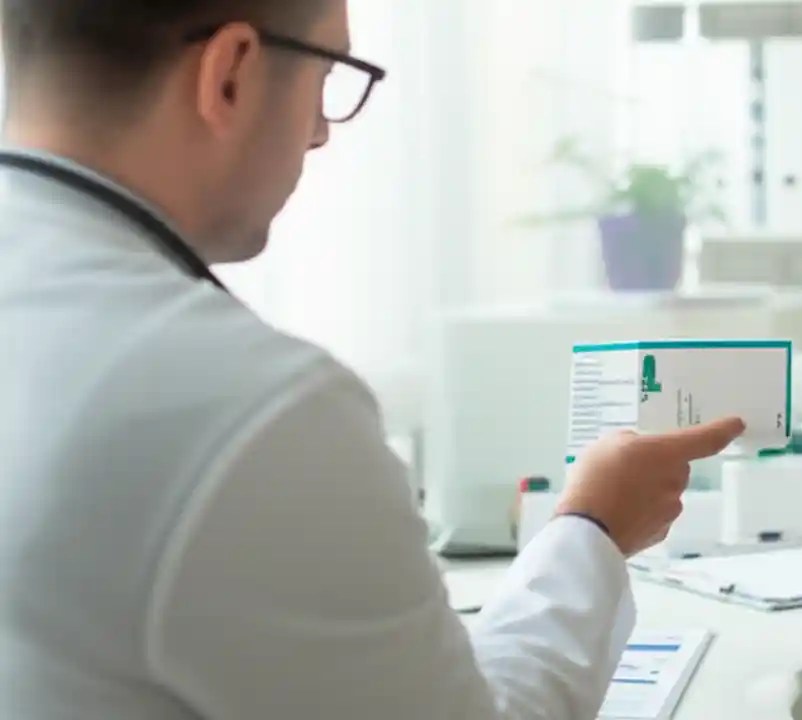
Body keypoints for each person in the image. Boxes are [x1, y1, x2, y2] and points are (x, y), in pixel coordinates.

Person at [0, 1, 746, 718]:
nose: (322, 132)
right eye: (328, 76)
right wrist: (594, 526)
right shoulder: (245, 407)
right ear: (230, 72)